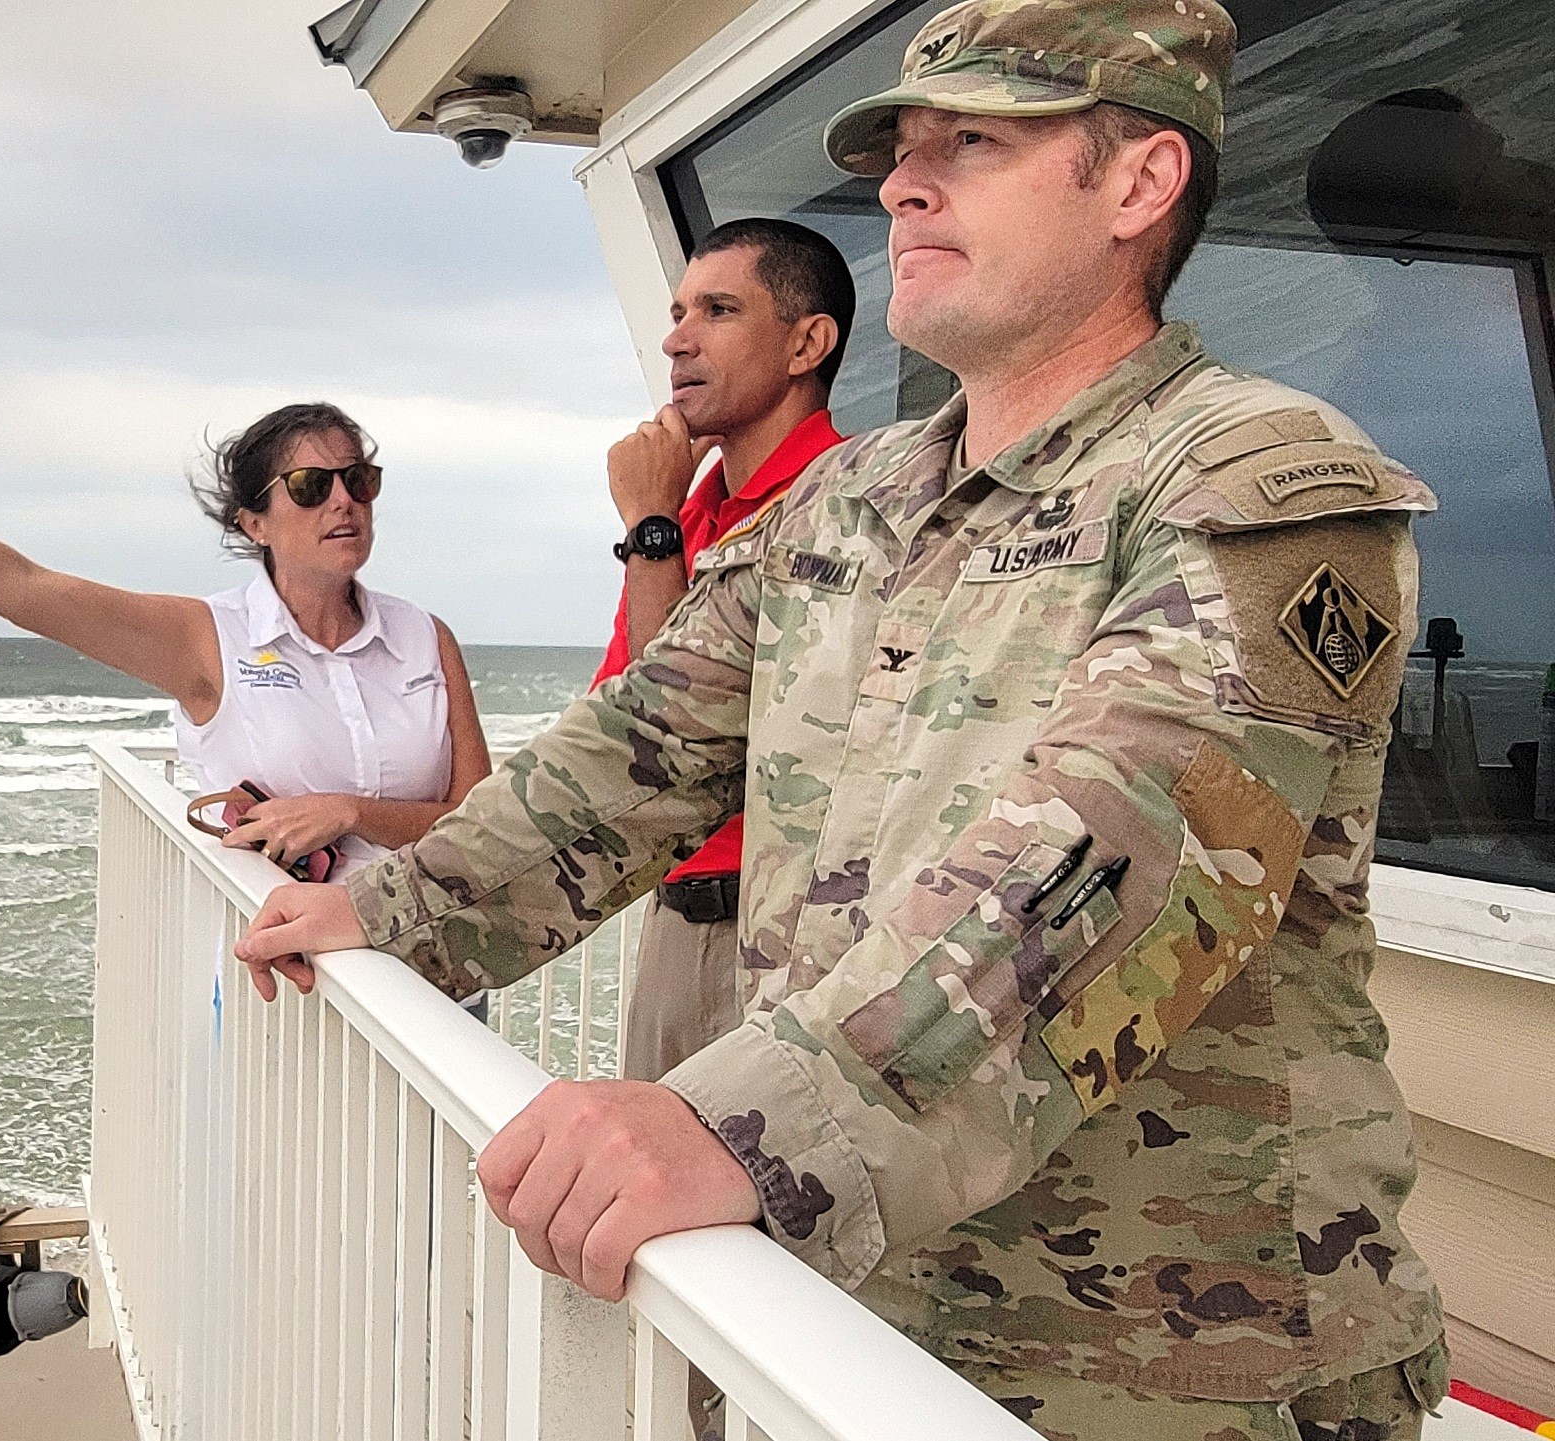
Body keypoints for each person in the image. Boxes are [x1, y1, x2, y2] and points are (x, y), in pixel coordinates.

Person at [237, 1, 1449, 1436]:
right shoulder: (850, 497)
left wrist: (740, 1122)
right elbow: (643, 750)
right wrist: (400, 911)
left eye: (974, 144)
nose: (900, 185)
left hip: (1157, 1359)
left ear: (1137, 184)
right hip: (851, 1303)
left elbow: (1129, 855)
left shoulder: (1253, 475)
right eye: (900, 150)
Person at [0, 402, 493, 874]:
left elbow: (479, 822)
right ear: (254, 521)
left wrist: (348, 812)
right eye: (313, 486)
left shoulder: (425, 639)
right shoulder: (209, 637)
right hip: (286, 991)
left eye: (361, 480)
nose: (344, 502)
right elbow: (25, 589)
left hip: (434, 986)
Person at [597, 217, 853, 1088]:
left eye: (717, 309)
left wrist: (649, 528)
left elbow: (688, 737)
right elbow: (623, 718)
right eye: (676, 311)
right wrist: (661, 527)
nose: (677, 339)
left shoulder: (846, 503)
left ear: (805, 343)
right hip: (679, 918)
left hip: (782, 926)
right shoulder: (693, 511)